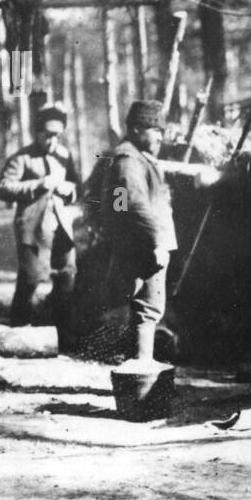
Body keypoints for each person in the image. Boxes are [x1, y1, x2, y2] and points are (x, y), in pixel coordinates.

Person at [99, 100, 178, 361]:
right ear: (135, 130)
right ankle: (141, 372)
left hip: (138, 242)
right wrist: (155, 242)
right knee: (148, 308)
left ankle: (137, 370)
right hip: (144, 246)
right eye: (153, 129)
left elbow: (123, 204)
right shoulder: (128, 161)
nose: (159, 135)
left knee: (143, 308)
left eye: (161, 130)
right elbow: (130, 204)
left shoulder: (133, 158)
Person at [0, 104, 81, 334]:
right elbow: (2, 188)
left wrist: (69, 190)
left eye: (57, 136)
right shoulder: (22, 158)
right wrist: (38, 185)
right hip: (32, 228)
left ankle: (63, 335)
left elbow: (75, 185)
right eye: (48, 135)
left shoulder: (64, 156)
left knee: (67, 278)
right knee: (30, 280)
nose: (53, 141)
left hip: (61, 226)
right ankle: (18, 331)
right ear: (37, 133)